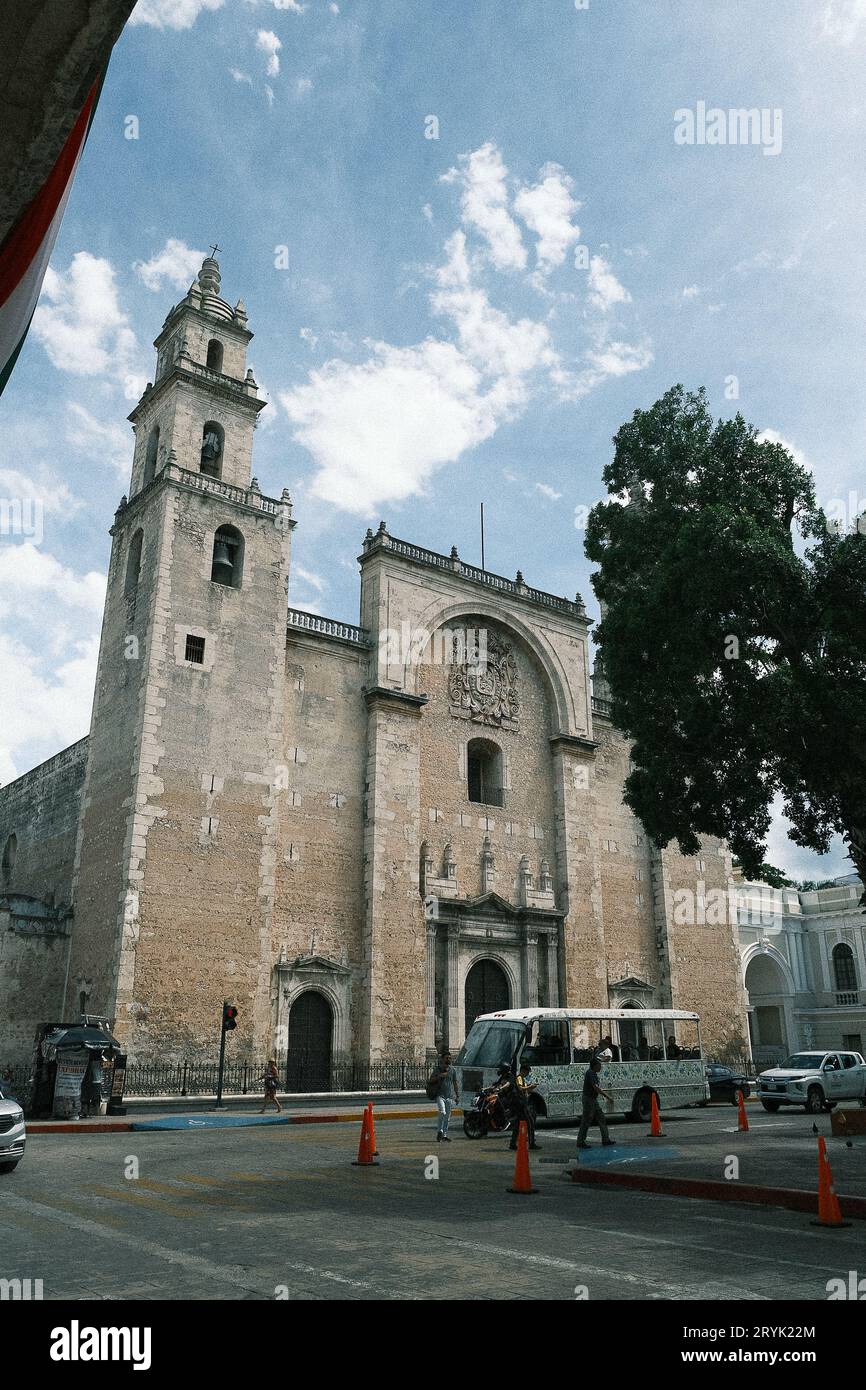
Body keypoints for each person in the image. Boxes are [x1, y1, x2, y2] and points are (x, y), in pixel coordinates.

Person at [576, 1057, 616, 1149]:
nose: (600, 1067)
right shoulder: (590, 1073)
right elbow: (596, 1088)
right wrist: (607, 1096)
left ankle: (605, 1139)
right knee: (586, 1120)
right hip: (588, 1099)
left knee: (601, 1117)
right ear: (595, 1066)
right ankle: (580, 1141)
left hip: (593, 1099)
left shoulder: (593, 1073)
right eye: (599, 1065)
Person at [511, 1062, 541, 1150]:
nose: (528, 1074)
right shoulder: (519, 1078)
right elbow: (520, 1088)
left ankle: (512, 1143)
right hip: (522, 1105)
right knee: (530, 1122)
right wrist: (529, 1087)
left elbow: (522, 1090)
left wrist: (529, 1088)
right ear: (523, 1071)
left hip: (520, 1104)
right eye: (527, 1072)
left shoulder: (521, 1079)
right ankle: (531, 1143)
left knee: (517, 1125)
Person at [433, 1049, 459, 1142]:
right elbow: (430, 1081)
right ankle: (439, 1131)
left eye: (450, 1058)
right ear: (442, 1059)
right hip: (440, 1095)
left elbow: (455, 1083)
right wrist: (439, 1076)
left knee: (447, 1117)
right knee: (442, 1112)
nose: (449, 1059)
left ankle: (444, 1135)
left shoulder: (453, 1070)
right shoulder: (438, 1069)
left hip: (449, 1096)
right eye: (447, 1058)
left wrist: (457, 1096)